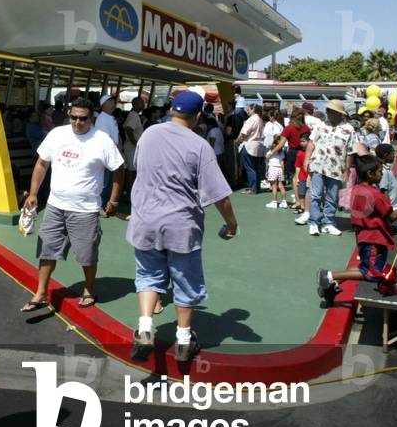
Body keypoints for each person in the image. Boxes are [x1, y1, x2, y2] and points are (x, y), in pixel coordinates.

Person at [127, 91, 238, 363]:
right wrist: (232, 224)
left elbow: (139, 168)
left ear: (171, 110)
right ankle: (184, 341)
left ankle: (144, 328)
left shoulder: (150, 134)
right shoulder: (200, 146)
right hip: (181, 225)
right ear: (198, 115)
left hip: (145, 220)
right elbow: (218, 195)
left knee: (148, 276)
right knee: (185, 282)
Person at [21, 97, 125, 311]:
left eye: (83, 119)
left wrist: (113, 200)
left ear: (92, 118)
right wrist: (33, 193)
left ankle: (89, 288)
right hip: (55, 206)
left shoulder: (102, 140)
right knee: (47, 249)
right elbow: (42, 164)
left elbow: (119, 169)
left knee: (86, 254)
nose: (77, 122)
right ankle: (41, 293)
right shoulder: (57, 134)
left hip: (85, 210)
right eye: (73, 117)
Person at [316, 155, 397, 306]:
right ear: (370, 174)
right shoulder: (376, 195)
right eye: (379, 171)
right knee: (371, 272)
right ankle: (329, 276)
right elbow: (391, 217)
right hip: (374, 238)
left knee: (363, 267)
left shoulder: (356, 189)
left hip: (363, 235)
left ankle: (331, 285)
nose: (382, 174)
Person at [302, 99, 356, 237]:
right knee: (316, 195)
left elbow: (350, 151)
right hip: (318, 164)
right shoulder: (320, 125)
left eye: (331, 110)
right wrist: (307, 159)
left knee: (332, 197)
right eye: (328, 110)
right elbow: (312, 142)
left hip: (336, 167)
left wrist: (347, 169)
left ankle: (328, 223)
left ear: (339, 113)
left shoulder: (349, 129)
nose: (328, 112)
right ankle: (314, 222)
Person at [271, 108, 309, 214]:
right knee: (302, 178)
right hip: (303, 153)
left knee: (294, 178)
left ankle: (298, 201)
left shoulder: (289, 128)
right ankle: (302, 201)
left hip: (293, 154)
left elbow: (281, 144)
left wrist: (271, 153)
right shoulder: (306, 128)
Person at [234, 104, 266, 194]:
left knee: (249, 168)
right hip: (258, 146)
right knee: (256, 168)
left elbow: (243, 133)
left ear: (253, 109)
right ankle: (256, 187)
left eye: (249, 109)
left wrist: (236, 142)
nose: (247, 111)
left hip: (250, 145)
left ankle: (253, 188)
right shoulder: (260, 120)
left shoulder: (251, 119)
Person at [122, 97, 145, 195]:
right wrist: (134, 142)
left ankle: (130, 192)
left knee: (133, 171)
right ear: (135, 104)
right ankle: (129, 193)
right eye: (141, 103)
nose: (143, 105)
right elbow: (128, 128)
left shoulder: (135, 115)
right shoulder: (133, 115)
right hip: (131, 148)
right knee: (130, 172)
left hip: (133, 147)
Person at [374, 143, 397, 207]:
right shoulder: (383, 171)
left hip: (393, 205)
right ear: (385, 155)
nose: (394, 156)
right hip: (390, 206)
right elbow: (383, 191)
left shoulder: (385, 169)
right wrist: (387, 207)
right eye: (392, 154)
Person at [264, 135, 288, 208]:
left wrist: (267, 170)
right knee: (281, 186)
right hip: (279, 169)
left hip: (272, 168)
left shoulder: (270, 152)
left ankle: (274, 202)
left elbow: (267, 161)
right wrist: (283, 172)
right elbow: (282, 163)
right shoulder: (282, 153)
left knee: (274, 186)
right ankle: (284, 202)